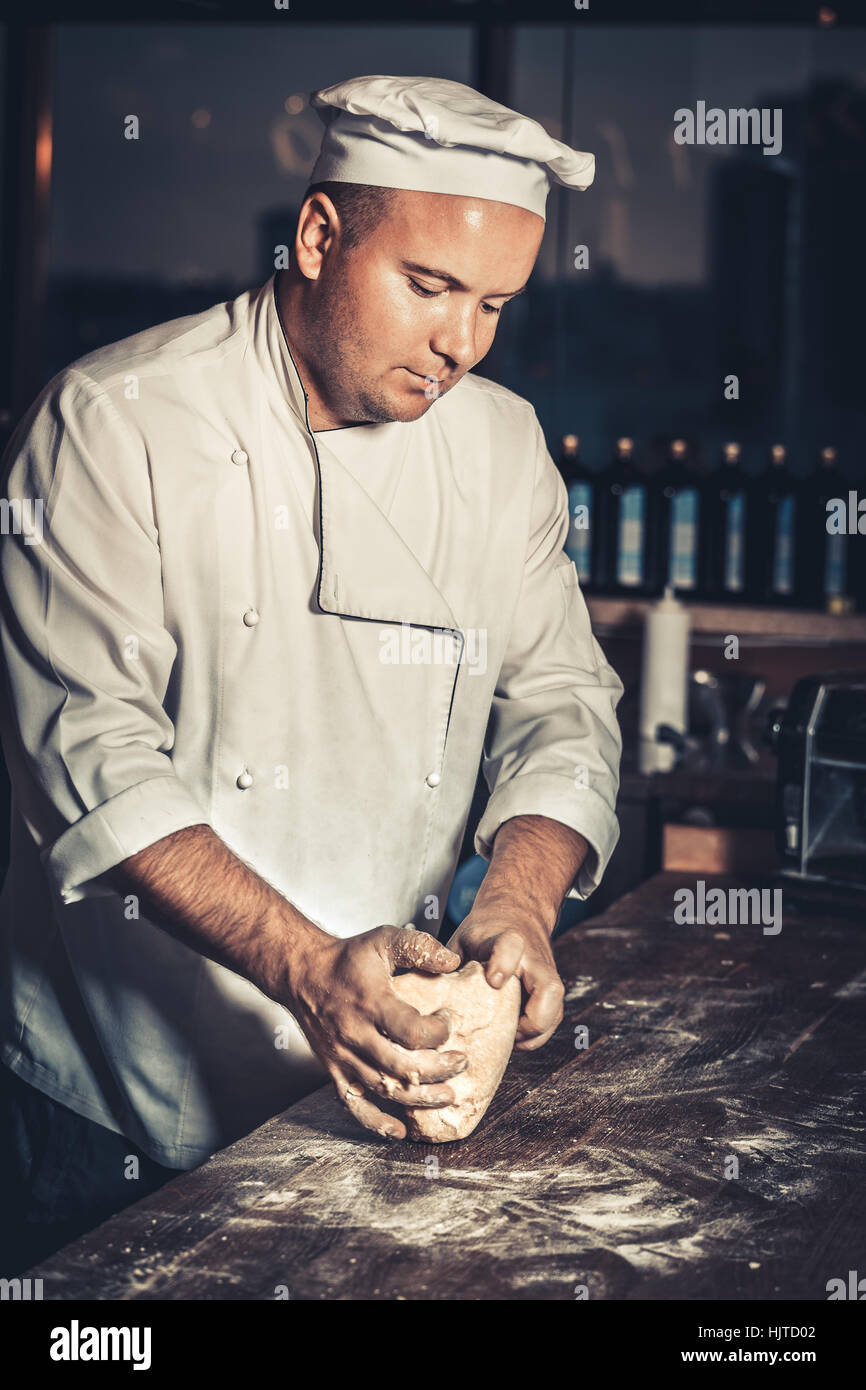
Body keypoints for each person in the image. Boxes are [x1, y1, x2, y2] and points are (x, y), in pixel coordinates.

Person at [0, 73, 623, 1272]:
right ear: (318, 234)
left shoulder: (499, 447)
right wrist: (301, 964)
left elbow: (559, 704)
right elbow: (93, 759)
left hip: (379, 1078)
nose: (460, 343)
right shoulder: (110, 422)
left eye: (495, 304)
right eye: (429, 287)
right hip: (114, 1095)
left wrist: (519, 901)